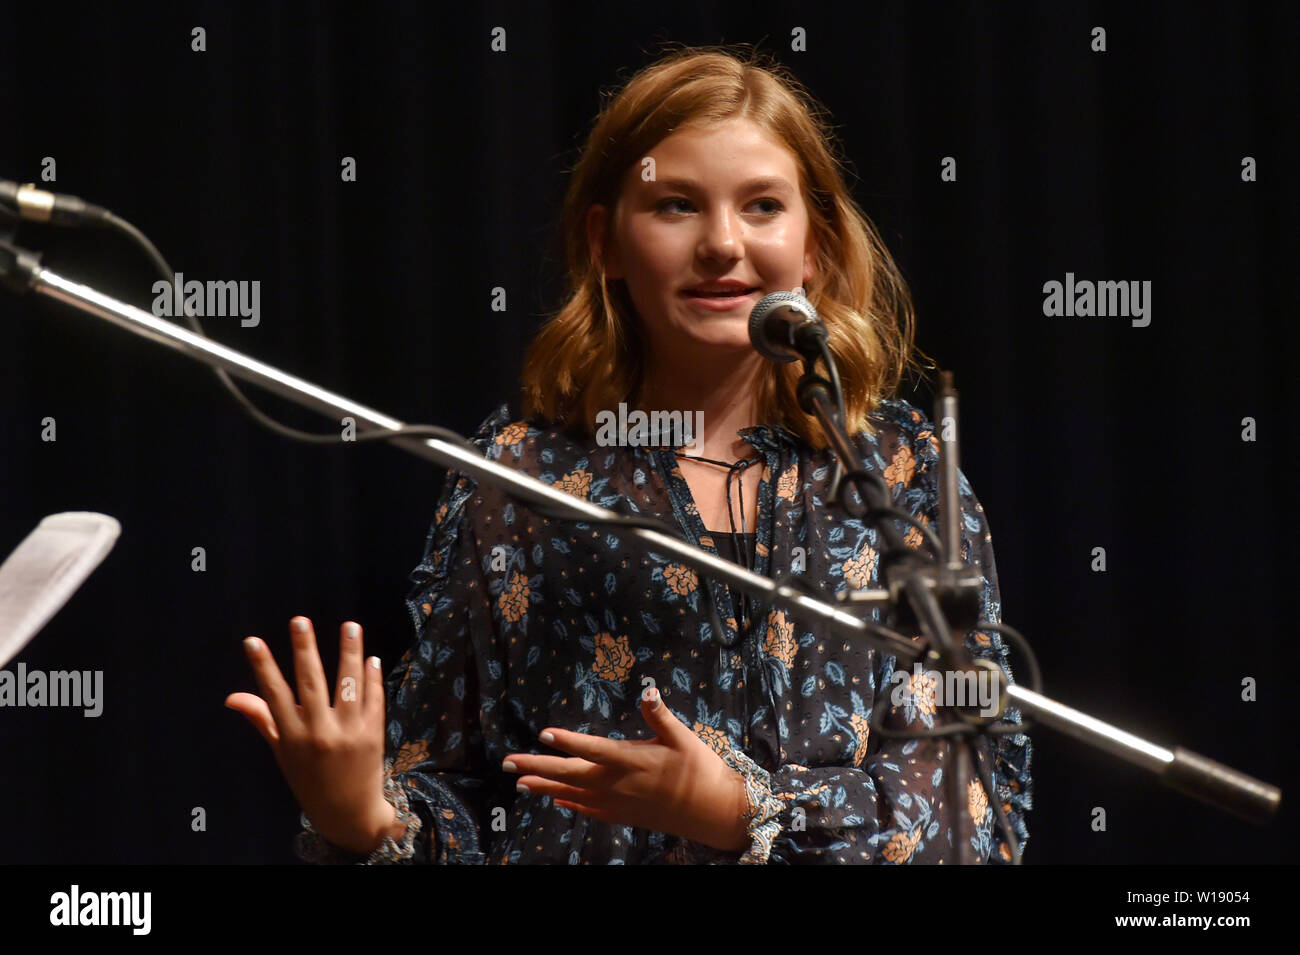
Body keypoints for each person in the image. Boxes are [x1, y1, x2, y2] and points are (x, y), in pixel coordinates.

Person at [225, 44, 1032, 864]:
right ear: (605, 244)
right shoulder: (521, 480)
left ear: (814, 246)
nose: (723, 243)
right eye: (676, 205)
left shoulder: (901, 469)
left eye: (762, 206)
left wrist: (739, 812)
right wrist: (362, 818)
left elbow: (977, 800)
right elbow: (463, 798)